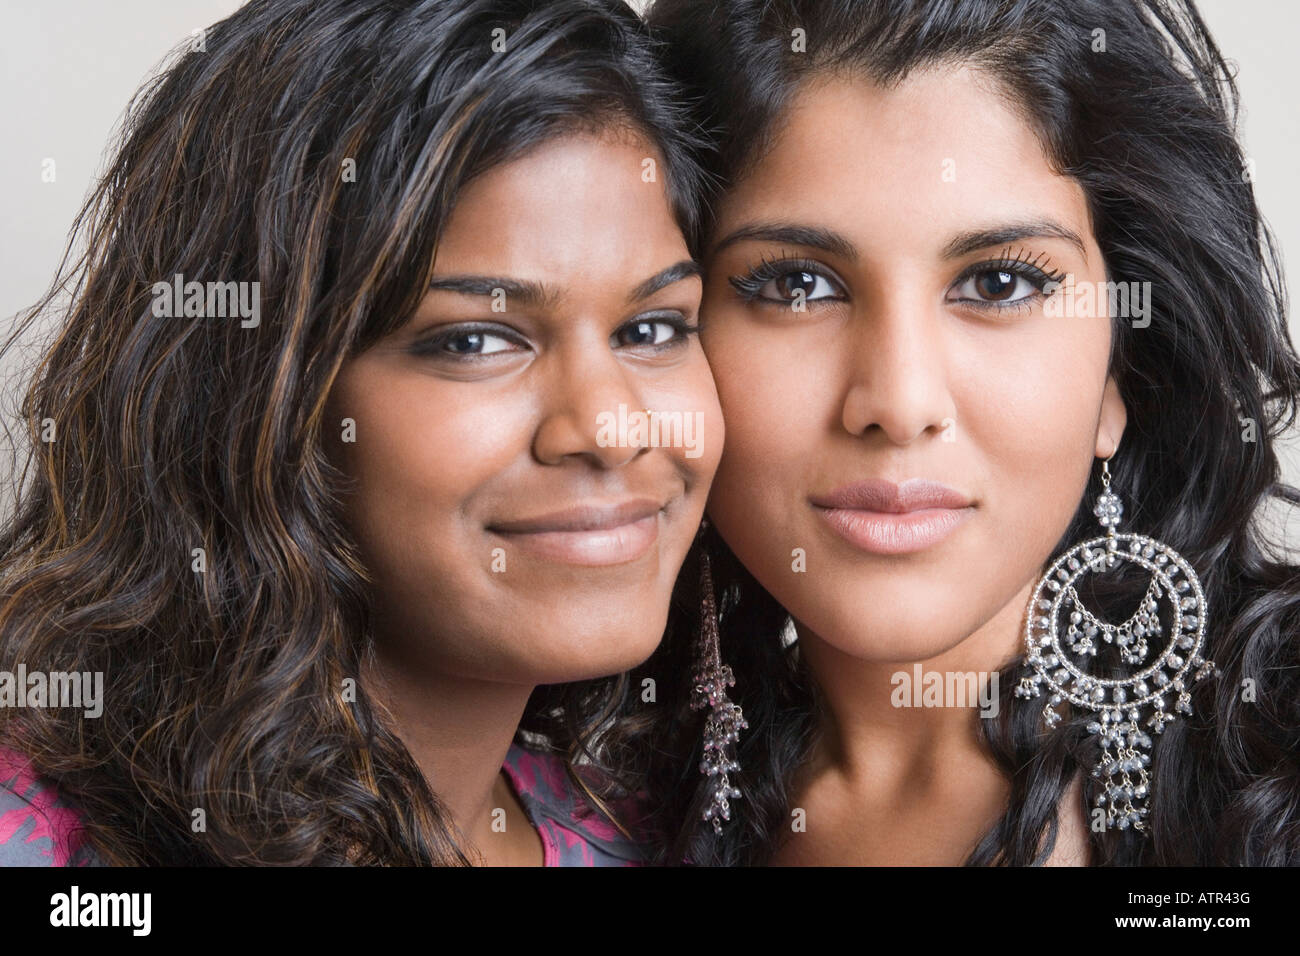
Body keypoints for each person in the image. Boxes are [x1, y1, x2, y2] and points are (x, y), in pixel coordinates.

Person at [0, 0, 721, 866]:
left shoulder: (627, 830)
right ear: (258, 395)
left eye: (652, 329)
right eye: (474, 340)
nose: (610, 429)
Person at [609, 0, 1300, 865]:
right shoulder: (594, 816)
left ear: (1121, 366)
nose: (898, 402)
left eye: (1000, 283)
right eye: (796, 286)